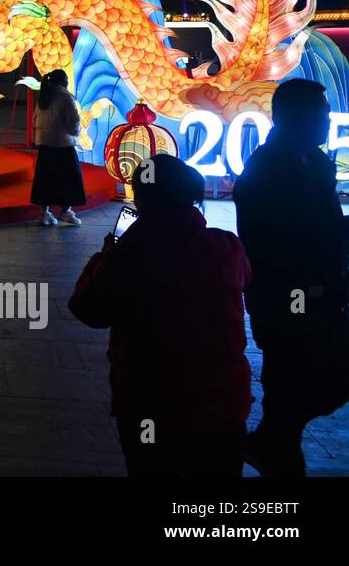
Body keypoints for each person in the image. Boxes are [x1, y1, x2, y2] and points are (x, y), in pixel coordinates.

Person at [69, 154, 252, 476]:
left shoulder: (128, 255)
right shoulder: (226, 247)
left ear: (142, 200)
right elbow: (245, 280)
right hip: (222, 403)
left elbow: (87, 308)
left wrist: (106, 253)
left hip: (151, 401)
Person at [234, 78, 349, 476]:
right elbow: (272, 240)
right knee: (292, 372)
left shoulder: (314, 162)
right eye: (321, 112)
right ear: (297, 117)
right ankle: (276, 444)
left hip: (324, 291)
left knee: (309, 376)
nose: (328, 118)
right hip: (286, 296)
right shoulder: (268, 169)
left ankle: (274, 439)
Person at [30, 68, 85, 226]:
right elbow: (74, 123)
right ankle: (66, 211)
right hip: (63, 145)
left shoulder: (44, 97)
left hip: (45, 144)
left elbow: (35, 120)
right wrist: (76, 134)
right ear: (65, 82)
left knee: (45, 179)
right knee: (70, 179)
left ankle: (44, 213)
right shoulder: (66, 98)